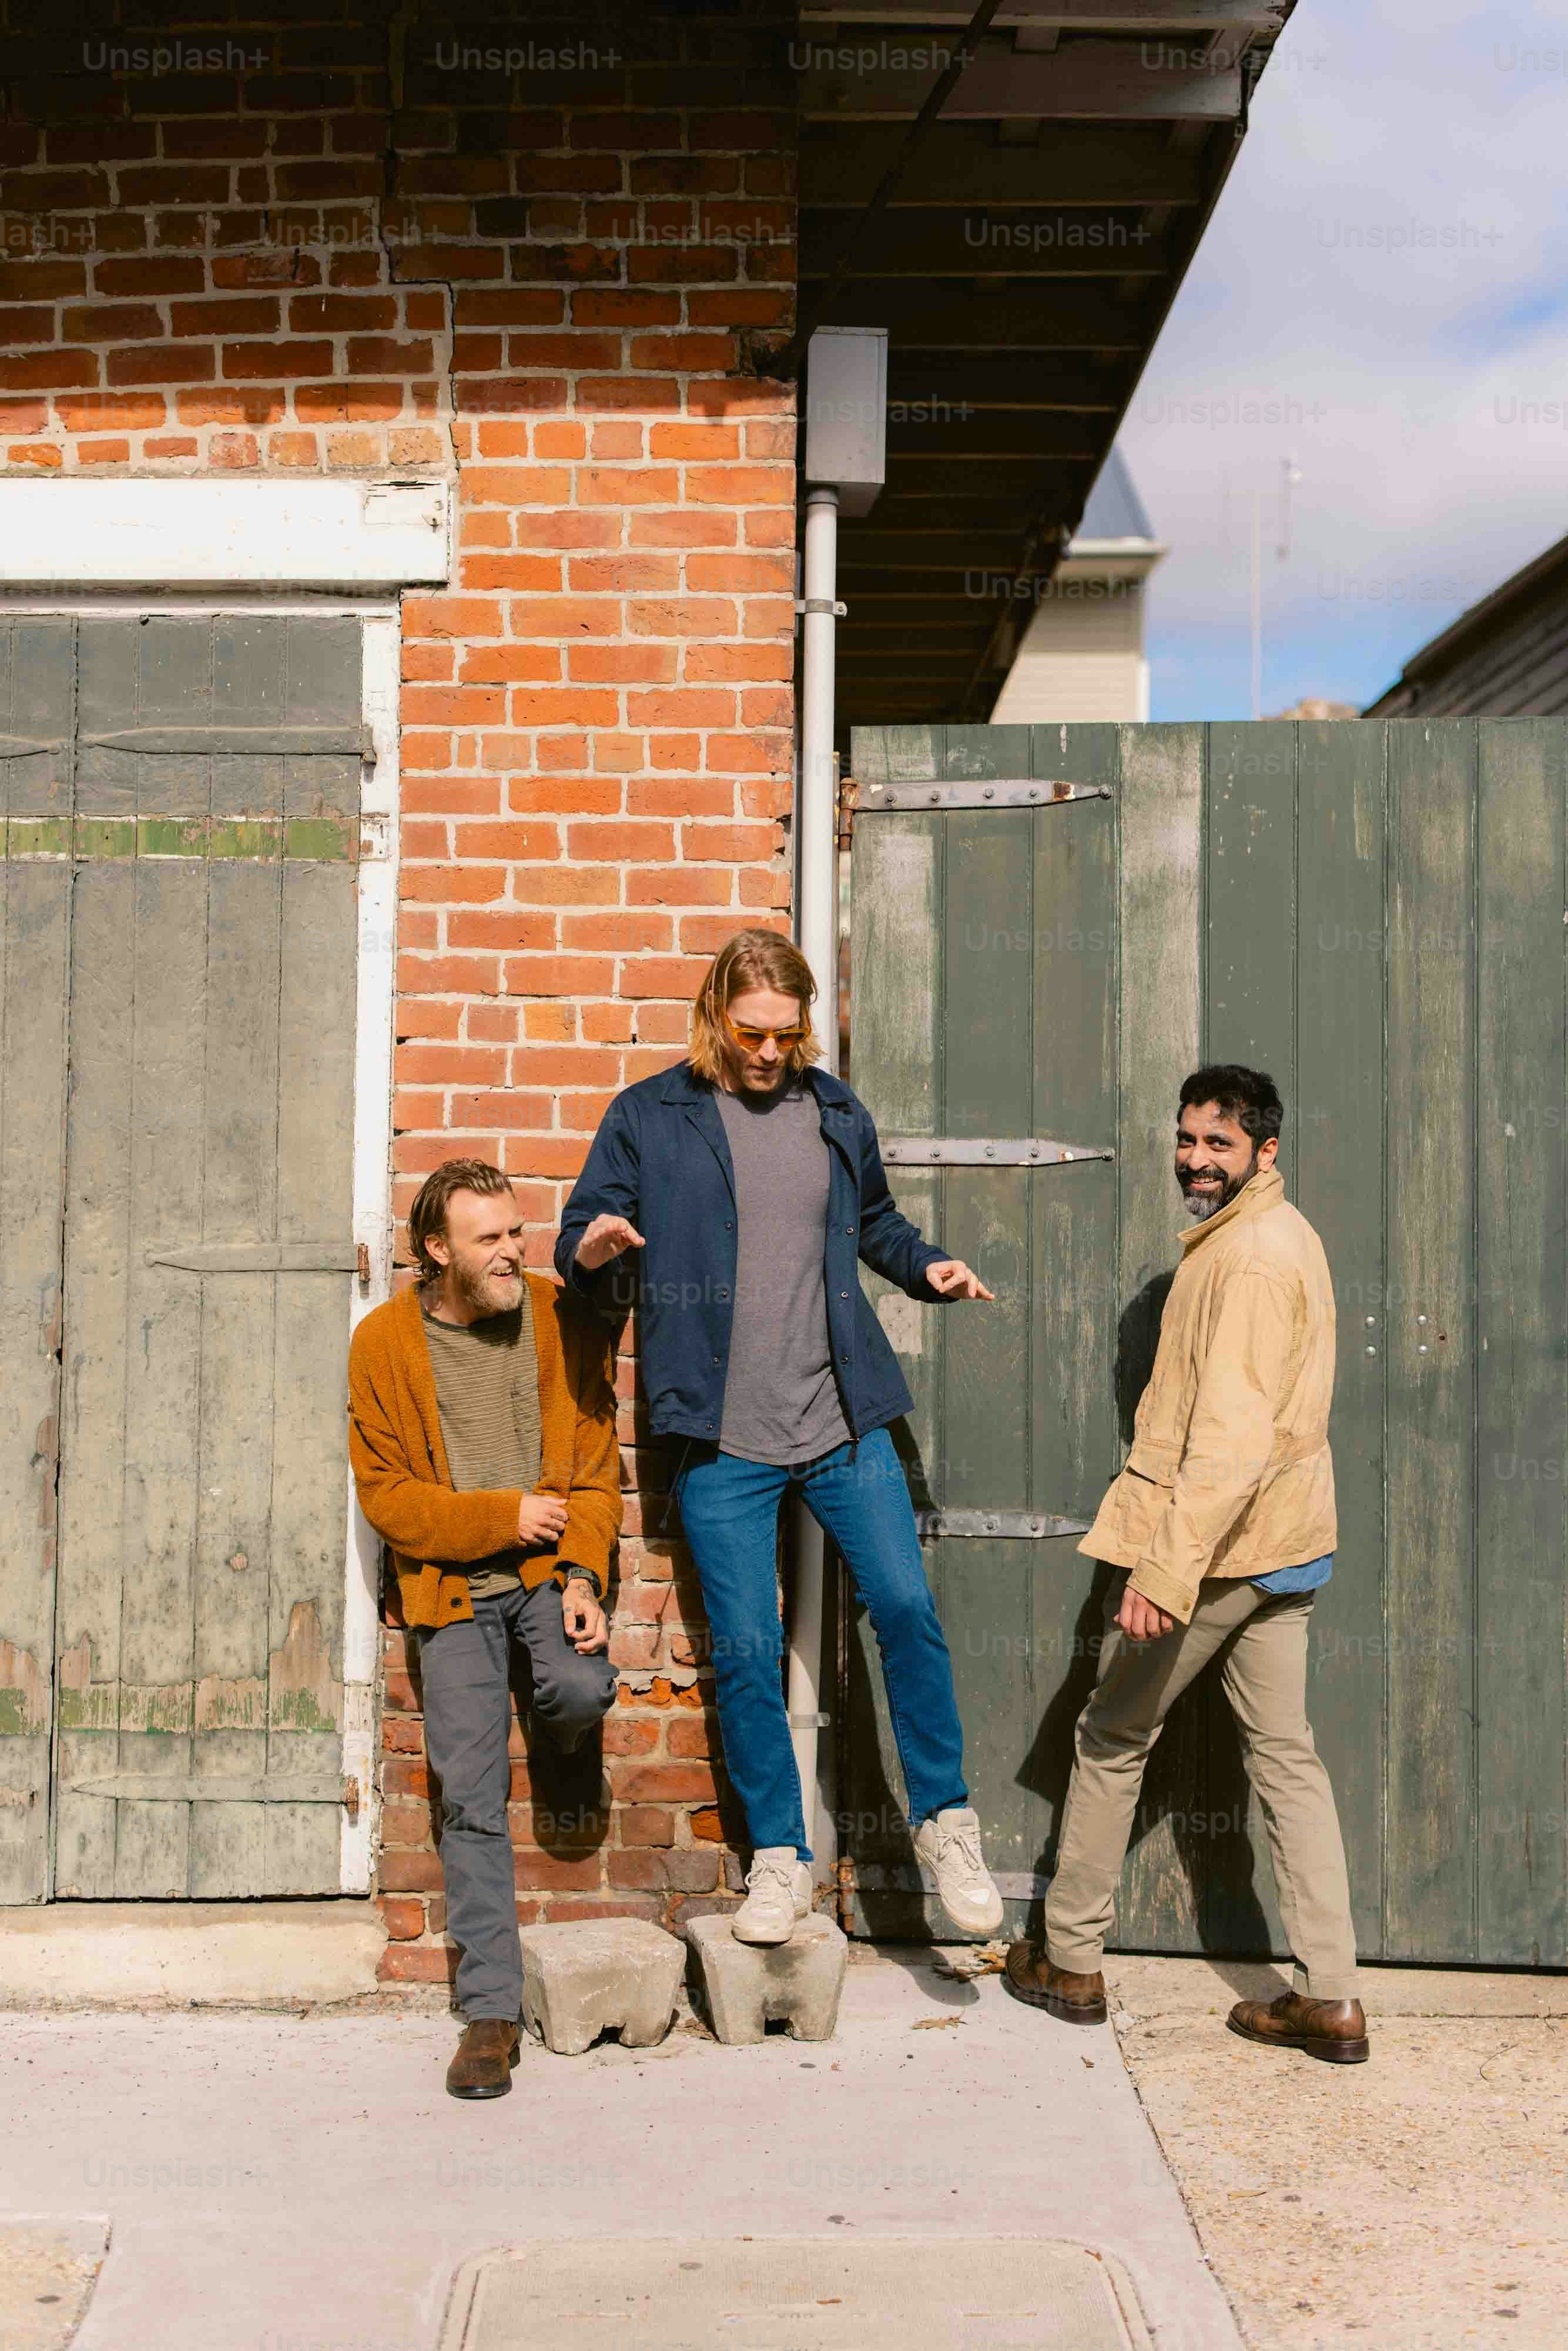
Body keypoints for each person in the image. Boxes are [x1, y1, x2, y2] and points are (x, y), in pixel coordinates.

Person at [555, 926, 1004, 1947]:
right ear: (715, 1016)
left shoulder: (835, 1111)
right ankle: (779, 1860)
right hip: (720, 1434)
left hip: (840, 1417)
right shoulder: (648, 1116)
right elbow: (581, 1236)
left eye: (785, 1036)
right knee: (750, 1649)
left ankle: (945, 1823)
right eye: (751, 1034)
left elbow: (878, 1223)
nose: (768, 1054)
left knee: (905, 1607)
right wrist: (596, 1247)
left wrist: (925, 1266)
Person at [1004, 1066, 1368, 2065]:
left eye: (1220, 1144)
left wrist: (1164, 1573)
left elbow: (1231, 1443)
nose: (1197, 1161)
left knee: (1112, 1734)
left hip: (1218, 1553)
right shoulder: (1278, 1236)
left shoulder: (1247, 1261)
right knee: (1286, 1758)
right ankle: (1332, 1995)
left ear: (1265, 1151)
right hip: (1284, 1546)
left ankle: (1070, 1960)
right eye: (1187, 1140)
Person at [349, 1160, 621, 2100]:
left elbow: (596, 1471)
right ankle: (491, 2012)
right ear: (437, 1250)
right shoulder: (383, 1344)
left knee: (581, 1687)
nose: (513, 1252)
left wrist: (582, 1575)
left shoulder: (557, 1319)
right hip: (450, 1592)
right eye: (490, 1239)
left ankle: (559, 1733)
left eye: (516, 1232)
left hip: (547, 1577)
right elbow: (389, 1498)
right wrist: (504, 1516)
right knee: (468, 1793)